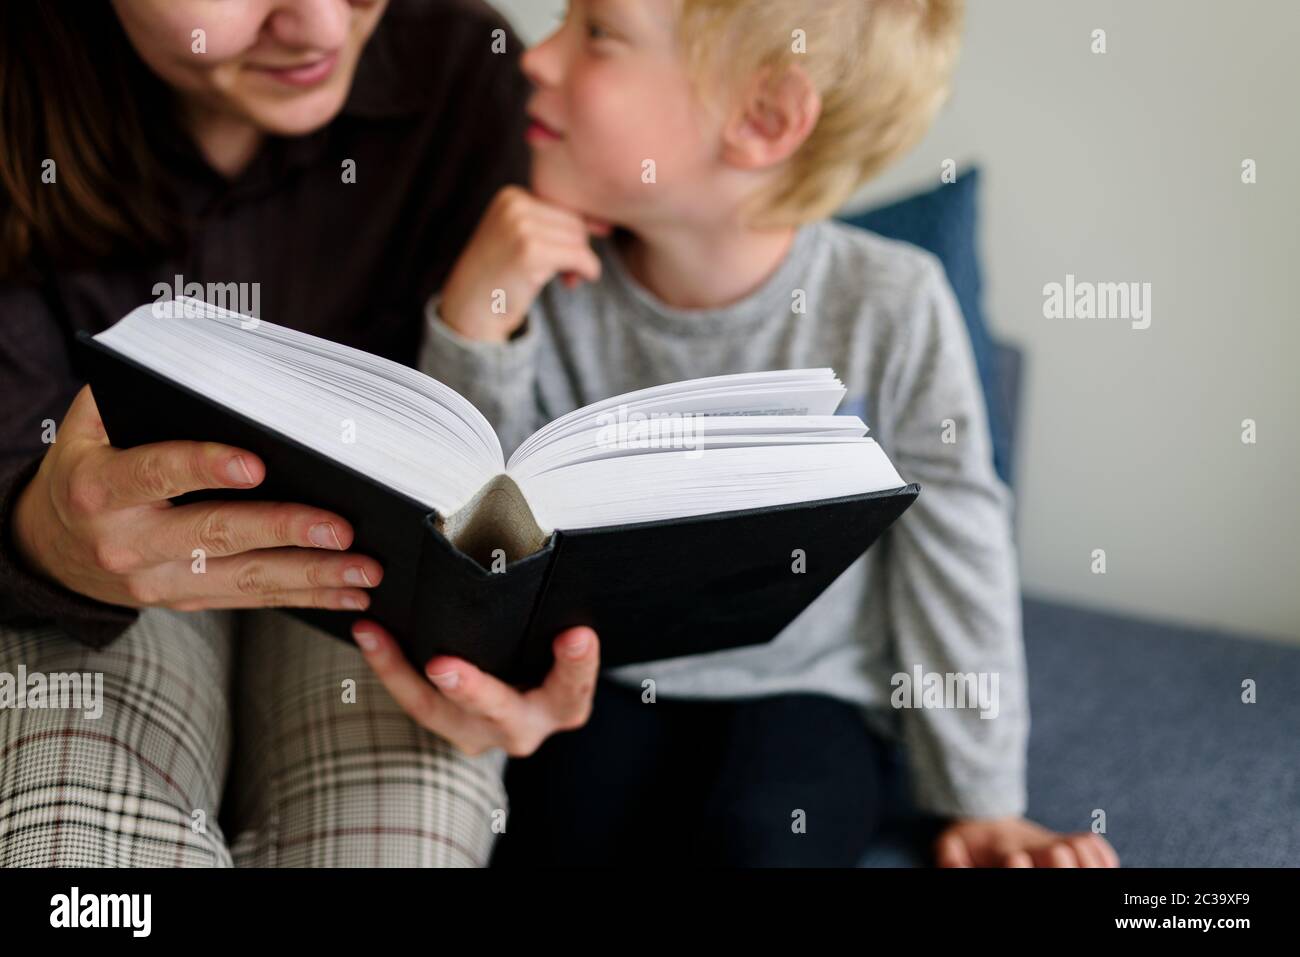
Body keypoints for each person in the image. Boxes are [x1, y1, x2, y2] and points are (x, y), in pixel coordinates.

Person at [411, 0, 1122, 867]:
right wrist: (475, 318)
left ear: (764, 119)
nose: (536, 59)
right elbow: (469, 545)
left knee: (767, 833)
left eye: (597, 33)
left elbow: (958, 547)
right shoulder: (537, 277)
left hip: (808, 692)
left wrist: (981, 801)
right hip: (604, 686)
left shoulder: (892, 302)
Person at [0, 0, 598, 867]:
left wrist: (517, 638)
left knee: (408, 838)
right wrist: (46, 538)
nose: (320, 27)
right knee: (74, 844)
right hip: (66, 600)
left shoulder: (471, 70)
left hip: (376, 594)